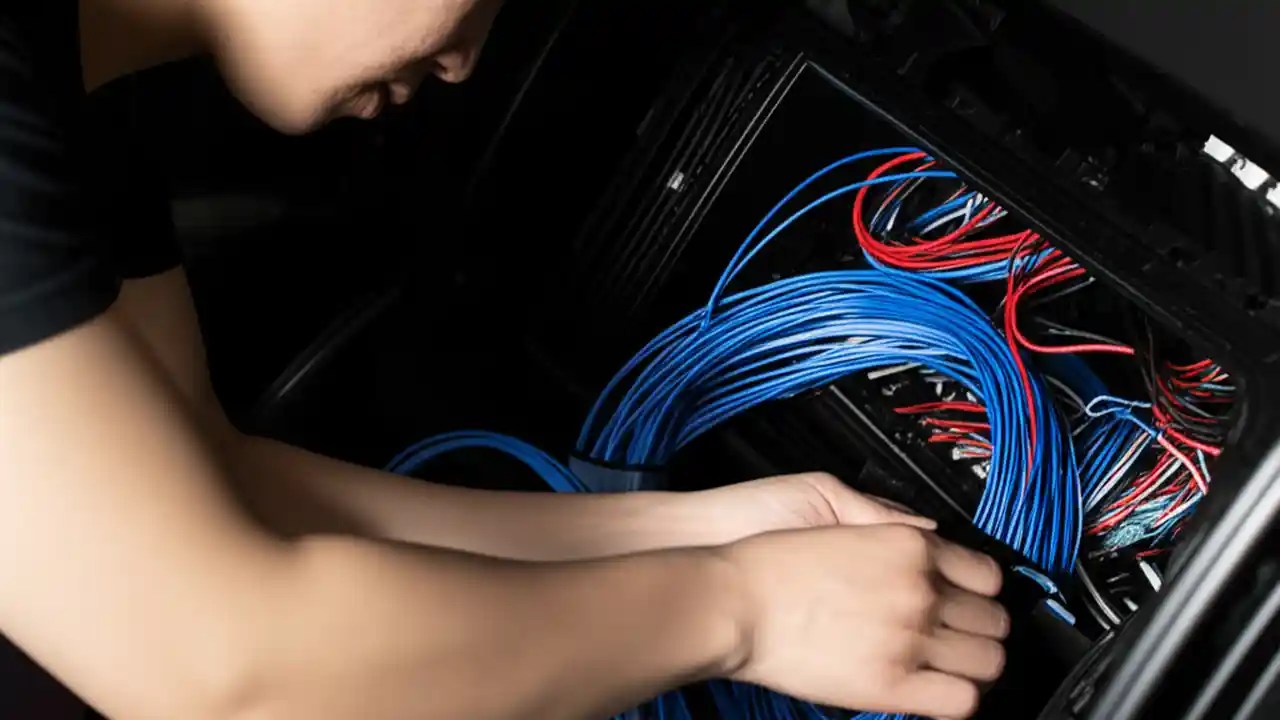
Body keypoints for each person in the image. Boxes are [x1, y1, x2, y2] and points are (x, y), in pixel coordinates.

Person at [0, 1, 1011, 718]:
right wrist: (746, 609)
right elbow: (225, 669)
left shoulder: (78, 98)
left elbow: (212, 477)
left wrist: (698, 530)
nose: (465, 61)